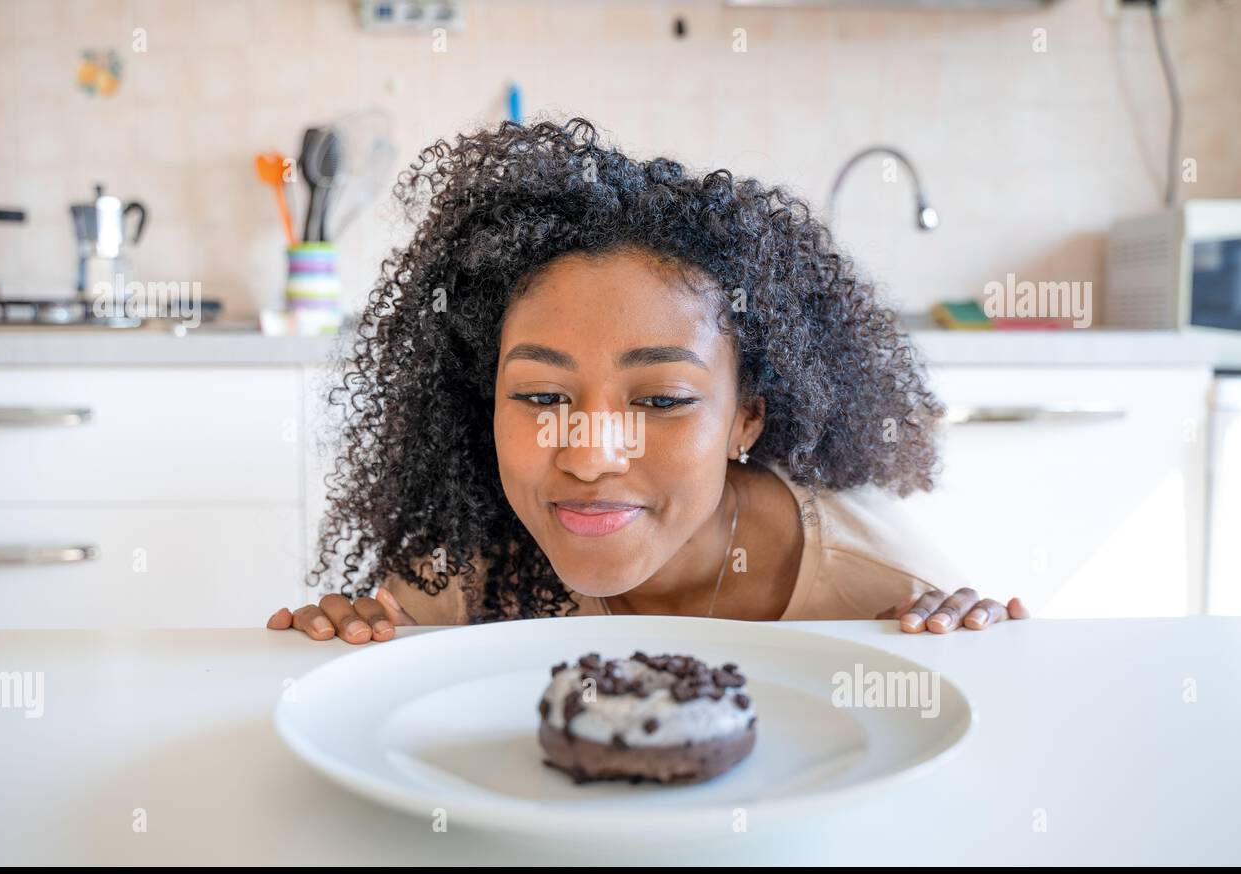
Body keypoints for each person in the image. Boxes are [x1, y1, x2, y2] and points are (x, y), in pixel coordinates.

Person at [267, 118, 1027, 644]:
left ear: (746, 420)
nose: (591, 457)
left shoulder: (881, 592)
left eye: (661, 401)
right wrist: (342, 641)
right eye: (540, 397)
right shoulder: (475, 566)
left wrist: (971, 648)